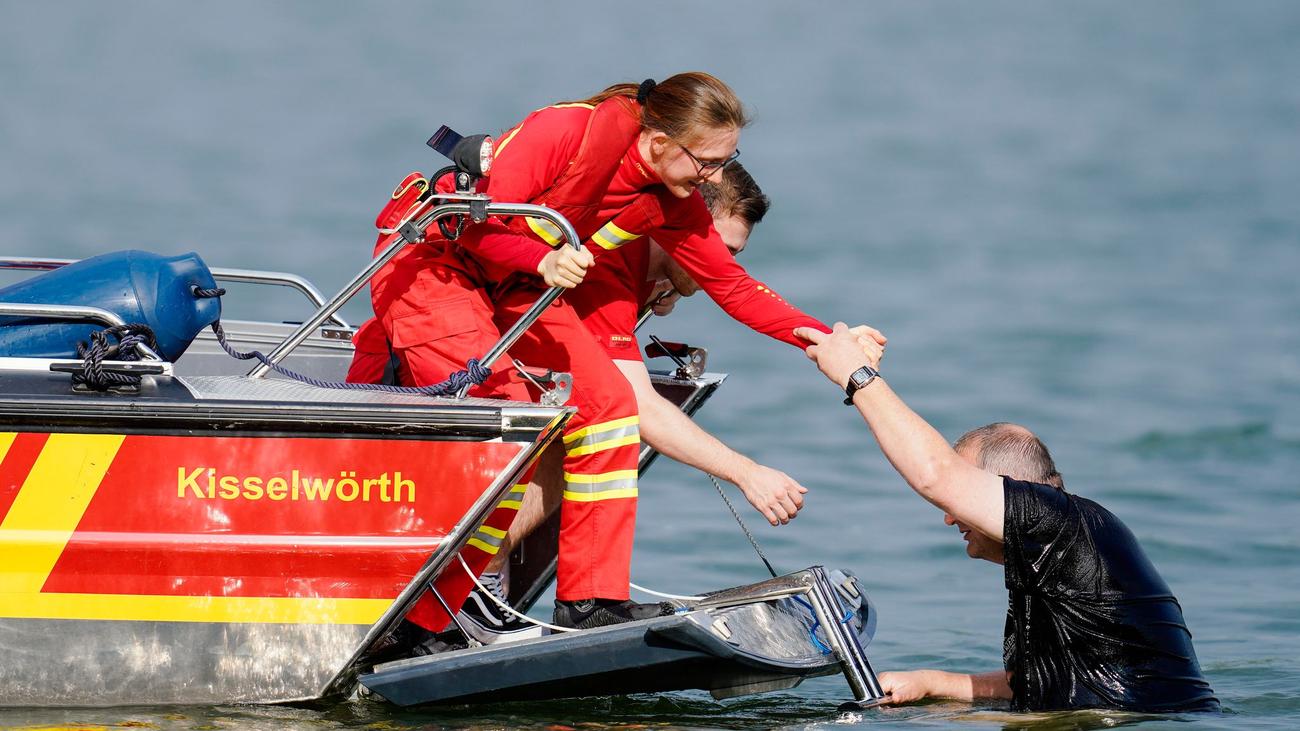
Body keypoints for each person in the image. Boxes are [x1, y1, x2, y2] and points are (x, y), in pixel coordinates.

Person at [352, 73, 882, 631]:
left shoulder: (672, 203)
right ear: (659, 144)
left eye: (727, 160)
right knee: (509, 422)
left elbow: (736, 288)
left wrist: (828, 338)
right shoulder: (566, 131)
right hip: (439, 262)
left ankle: (590, 602)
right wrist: (541, 262)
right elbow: (472, 224)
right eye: (707, 162)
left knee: (609, 411)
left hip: (522, 283)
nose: (714, 177)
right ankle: (421, 618)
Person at [794, 323, 1219, 713]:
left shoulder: (1063, 521)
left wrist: (857, 374)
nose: (950, 516)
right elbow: (1040, 683)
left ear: (1012, 489)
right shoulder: (1057, 554)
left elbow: (936, 475)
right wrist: (931, 682)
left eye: (963, 500)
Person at [457, 164, 806, 638]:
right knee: (605, 421)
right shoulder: (610, 264)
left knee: (579, 434)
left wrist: (661, 282)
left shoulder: (640, 266)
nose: (720, 268)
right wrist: (749, 474)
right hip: (462, 342)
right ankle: (474, 586)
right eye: (717, 251)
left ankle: (486, 585)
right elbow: (638, 404)